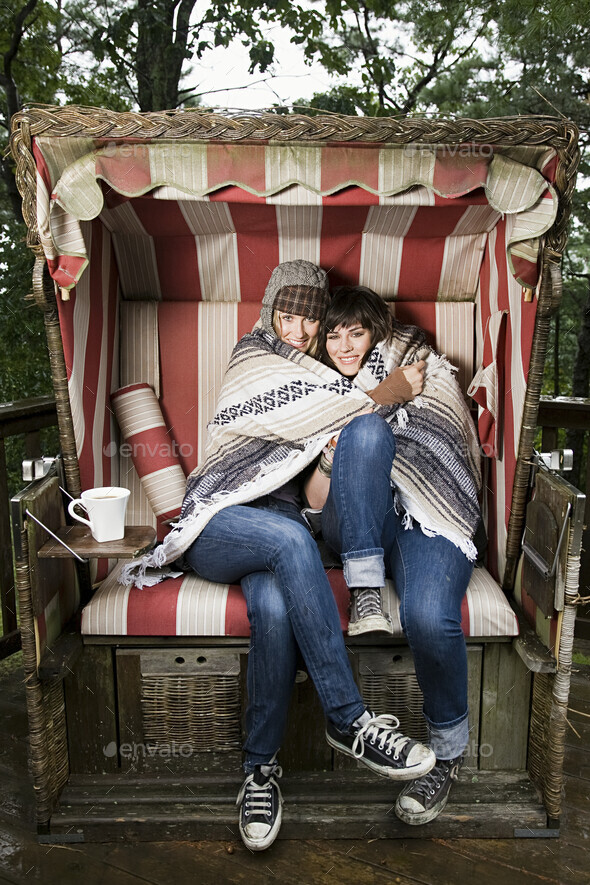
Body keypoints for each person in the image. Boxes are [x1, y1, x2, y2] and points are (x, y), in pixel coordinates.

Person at [122, 261, 436, 852]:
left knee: (273, 607)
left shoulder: (326, 373)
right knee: (292, 542)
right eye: (287, 316)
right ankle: (350, 721)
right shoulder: (255, 356)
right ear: (270, 313)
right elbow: (312, 413)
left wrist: (383, 391)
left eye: (309, 319)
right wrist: (388, 391)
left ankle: (258, 772)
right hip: (218, 521)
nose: (296, 330)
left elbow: (336, 430)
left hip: (279, 526)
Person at [304, 285, 483, 826]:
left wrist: (390, 395)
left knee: (430, 617)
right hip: (359, 524)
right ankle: (365, 595)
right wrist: (337, 453)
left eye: (355, 332)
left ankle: (445, 759)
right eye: (332, 335)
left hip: (429, 513)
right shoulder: (314, 391)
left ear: (376, 332)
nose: (343, 346)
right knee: (361, 433)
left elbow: (445, 432)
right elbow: (314, 505)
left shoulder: (419, 365)